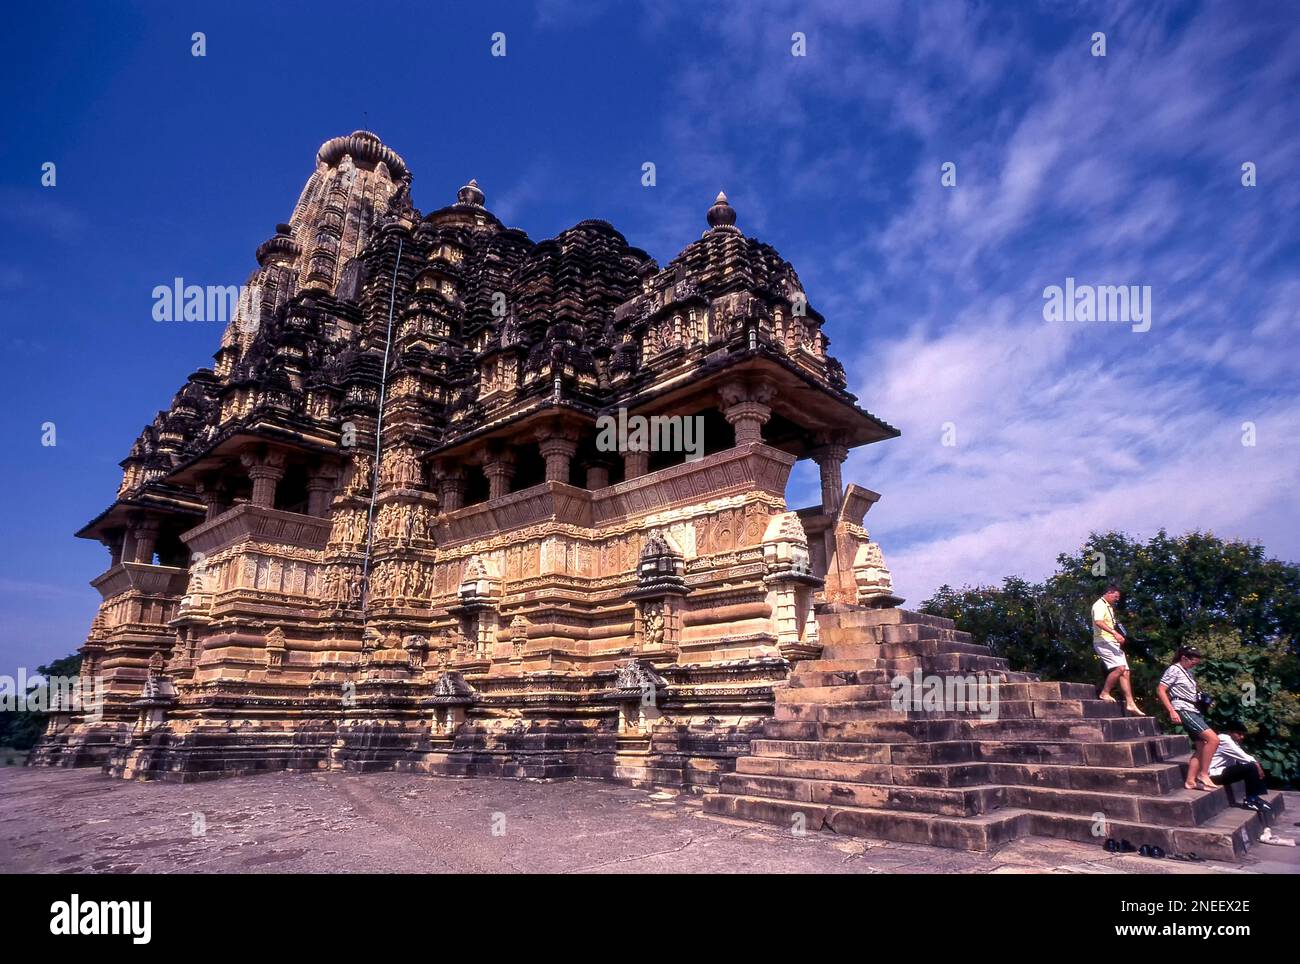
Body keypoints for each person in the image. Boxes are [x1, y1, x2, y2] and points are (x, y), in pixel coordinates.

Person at [1157, 647, 1219, 791]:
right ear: (1184, 658)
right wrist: (1172, 711)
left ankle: (1190, 781)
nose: (1194, 665)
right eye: (1193, 662)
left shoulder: (1188, 673)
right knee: (1214, 739)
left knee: (1201, 745)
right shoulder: (1174, 669)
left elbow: (1187, 692)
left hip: (1193, 709)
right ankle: (1204, 774)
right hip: (1182, 709)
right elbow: (1160, 689)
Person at [1091, 585, 1144, 714]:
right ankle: (1105, 693)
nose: (1116, 600)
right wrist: (1114, 633)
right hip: (1103, 641)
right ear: (1109, 593)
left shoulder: (1109, 607)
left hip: (1111, 642)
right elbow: (1098, 622)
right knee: (1119, 668)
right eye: (1115, 597)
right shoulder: (1099, 605)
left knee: (1125, 671)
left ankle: (1130, 703)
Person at [1209, 726, 1271, 812]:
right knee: (1252, 766)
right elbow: (1244, 757)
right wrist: (1257, 766)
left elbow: (1243, 760)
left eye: (1243, 734)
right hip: (1214, 774)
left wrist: (1257, 765)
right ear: (1230, 732)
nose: (1242, 737)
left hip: (1223, 771)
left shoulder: (1233, 742)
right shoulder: (1224, 739)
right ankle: (1250, 800)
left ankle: (1254, 797)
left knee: (1253, 766)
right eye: (1239, 734)